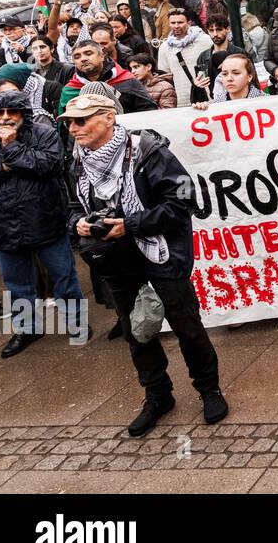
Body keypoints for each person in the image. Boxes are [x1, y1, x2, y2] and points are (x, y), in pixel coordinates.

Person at [62, 92, 227, 437]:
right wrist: (77, 222)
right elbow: (71, 205)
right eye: (70, 122)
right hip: (117, 261)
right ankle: (157, 395)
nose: (74, 128)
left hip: (162, 253)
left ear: (108, 117)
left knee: (187, 327)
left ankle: (209, 390)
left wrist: (131, 224)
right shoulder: (76, 160)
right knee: (137, 332)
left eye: (81, 120)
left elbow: (183, 200)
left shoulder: (151, 152)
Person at [0, 90, 86, 357]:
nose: (5, 118)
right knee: (17, 283)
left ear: (24, 114)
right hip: (3, 223)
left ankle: (77, 322)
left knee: (64, 277)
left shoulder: (44, 133)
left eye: (12, 112)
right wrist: (4, 167)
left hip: (44, 220)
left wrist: (11, 148)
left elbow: (48, 165)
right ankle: (27, 328)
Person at [59, 40, 157, 115]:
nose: (83, 59)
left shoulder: (127, 80)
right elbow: (66, 126)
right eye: (77, 57)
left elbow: (148, 111)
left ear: (102, 56)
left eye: (88, 54)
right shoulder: (70, 90)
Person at [155, 8, 209, 104]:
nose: (176, 26)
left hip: (207, 96)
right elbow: (165, 77)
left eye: (180, 22)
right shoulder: (164, 47)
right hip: (181, 100)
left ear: (189, 23)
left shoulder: (204, 40)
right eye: (173, 23)